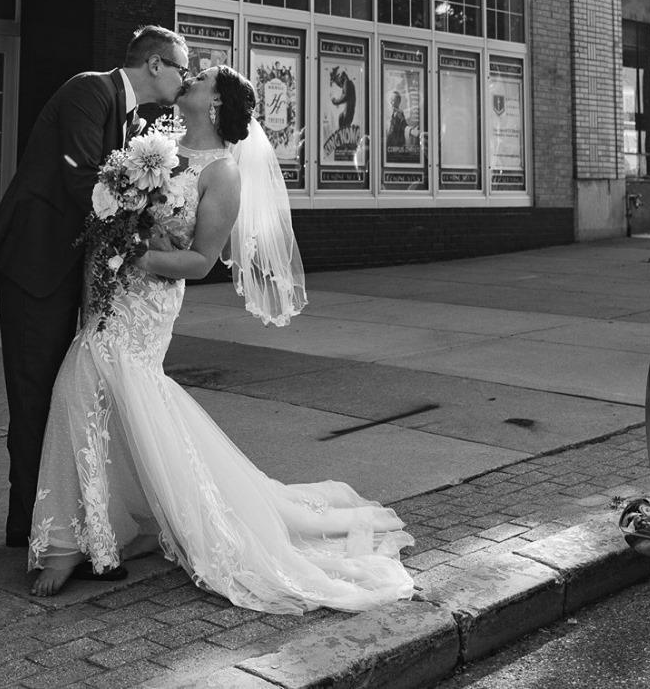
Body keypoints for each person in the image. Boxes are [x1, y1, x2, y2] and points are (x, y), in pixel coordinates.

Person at [26, 65, 414, 611]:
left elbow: (201, 260)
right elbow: (118, 207)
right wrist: (112, 239)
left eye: (204, 77)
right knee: (112, 399)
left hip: (150, 296)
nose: (194, 77)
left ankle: (69, 544)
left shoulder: (224, 174)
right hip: (111, 288)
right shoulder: (152, 143)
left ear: (215, 104)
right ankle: (113, 527)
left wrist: (135, 252)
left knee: (78, 388)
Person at [0, 24, 192, 558]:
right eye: (182, 68)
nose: (185, 80)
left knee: (61, 394)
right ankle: (28, 526)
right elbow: (84, 181)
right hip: (36, 262)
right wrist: (144, 229)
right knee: (34, 392)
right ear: (157, 65)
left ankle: (51, 522)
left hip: (70, 265)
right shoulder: (89, 90)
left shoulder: (130, 116)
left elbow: (103, 187)